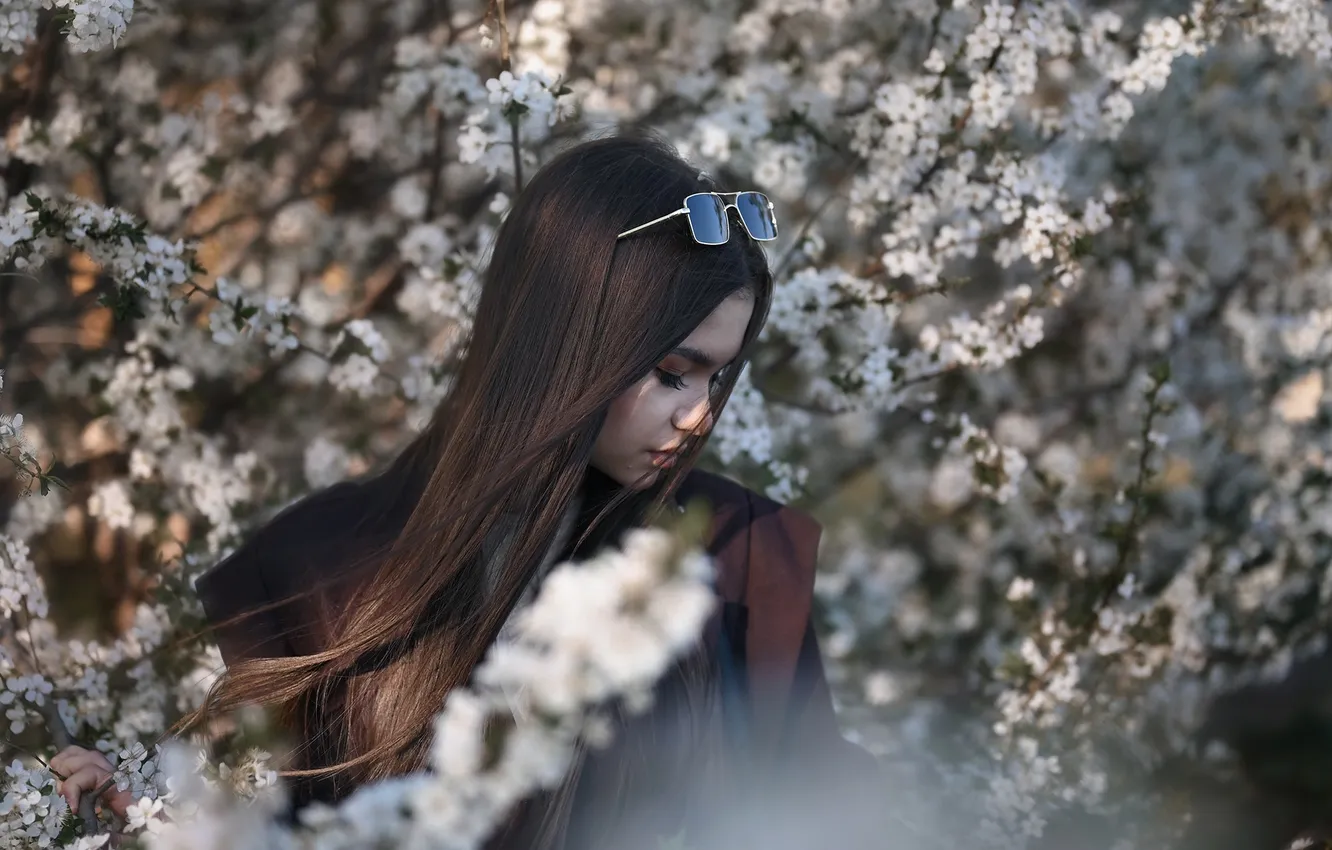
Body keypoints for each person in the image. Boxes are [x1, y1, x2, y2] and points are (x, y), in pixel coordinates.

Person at [52, 132, 880, 849]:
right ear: (566, 349)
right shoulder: (324, 567)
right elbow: (249, 813)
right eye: (672, 373)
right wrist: (129, 803)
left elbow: (812, 813)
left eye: (718, 375)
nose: (700, 416)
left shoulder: (736, 560)